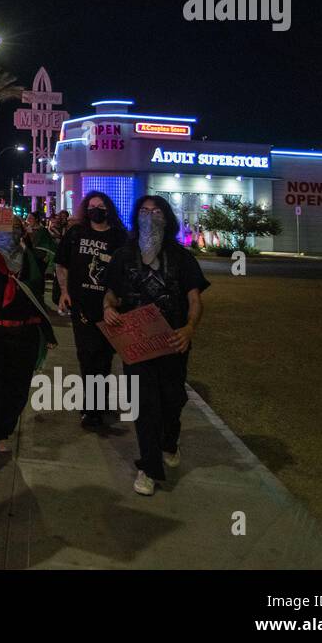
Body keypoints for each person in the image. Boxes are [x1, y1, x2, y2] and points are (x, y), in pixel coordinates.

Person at [103, 195, 209, 496]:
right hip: (136, 340)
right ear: (136, 217)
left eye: (157, 211)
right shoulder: (124, 256)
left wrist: (189, 329)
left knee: (172, 400)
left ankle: (169, 441)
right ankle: (149, 468)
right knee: (145, 404)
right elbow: (111, 294)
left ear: (167, 218)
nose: (150, 215)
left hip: (173, 340)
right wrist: (108, 309)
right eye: (144, 211)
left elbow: (194, 299)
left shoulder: (182, 258)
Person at [0, 216, 55, 471]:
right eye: (5, 227)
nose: (11, 232)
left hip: (23, 334)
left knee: (18, 390)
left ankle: (3, 428)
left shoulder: (32, 258)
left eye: (16, 227)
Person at [56, 192, 128, 429]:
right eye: (91, 206)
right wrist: (65, 291)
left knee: (104, 357)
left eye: (101, 206)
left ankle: (99, 402)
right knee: (88, 356)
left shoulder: (119, 237)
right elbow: (61, 263)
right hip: (82, 307)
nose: (96, 209)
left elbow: (128, 271)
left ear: (109, 209)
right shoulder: (76, 234)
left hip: (109, 309)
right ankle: (91, 410)